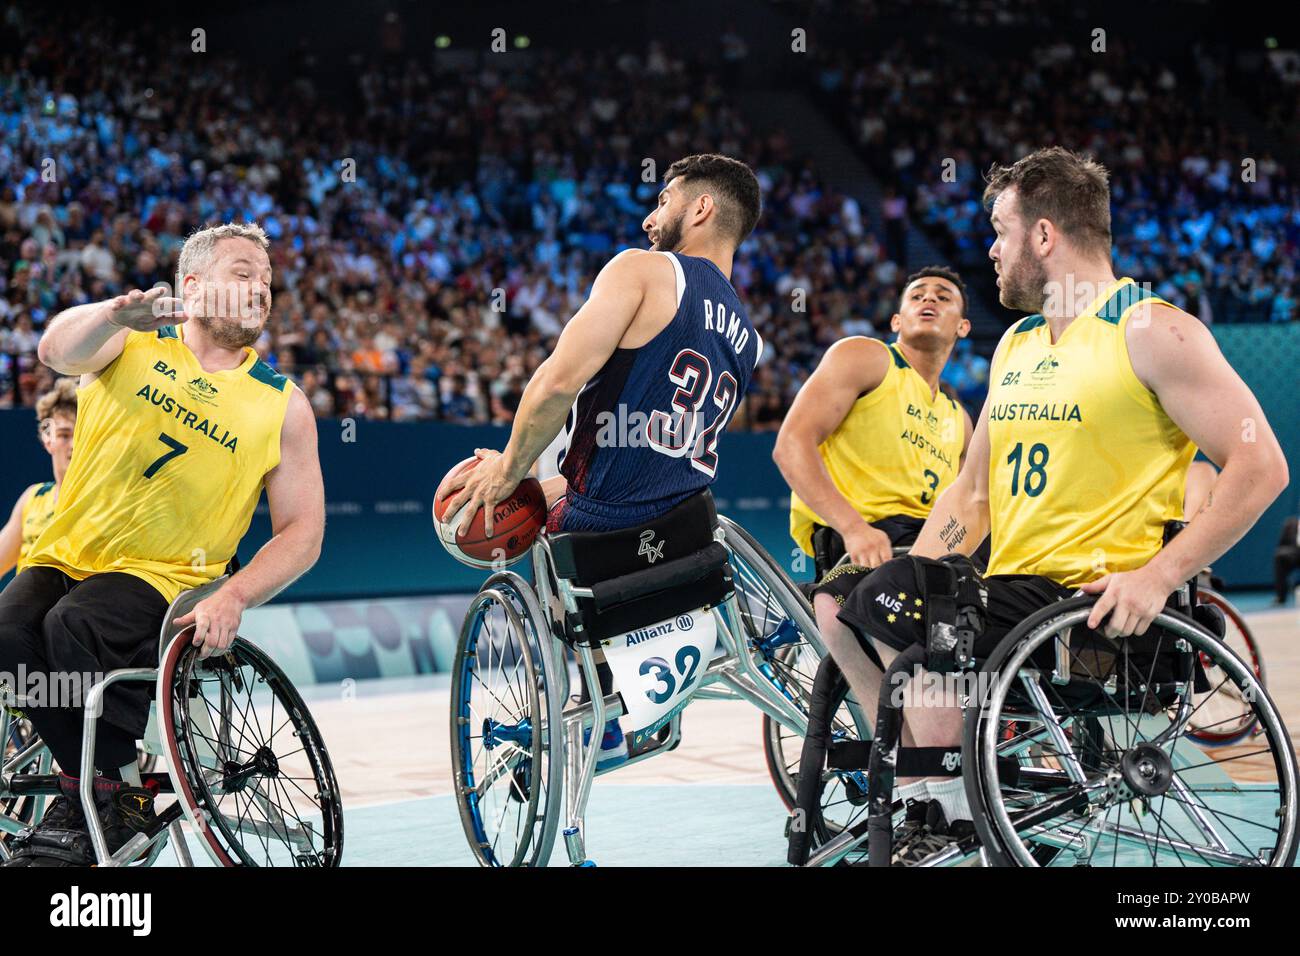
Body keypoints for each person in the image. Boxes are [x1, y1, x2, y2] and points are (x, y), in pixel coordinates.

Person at [819, 147, 1289, 863]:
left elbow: (1262, 465)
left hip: (1088, 603)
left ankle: (943, 803)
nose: (992, 248)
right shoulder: (1017, 342)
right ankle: (938, 787)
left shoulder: (1153, 330)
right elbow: (972, 495)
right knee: (846, 599)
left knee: (897, 604)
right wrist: (911, 570)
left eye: (1002, 230)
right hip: (1010, 595)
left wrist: (1159, 577)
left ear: (1044, 236)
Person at [0, 223, 326, 866]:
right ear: (193, 286)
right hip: (67, 555)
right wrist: (113, 312)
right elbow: (53, 350)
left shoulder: (284, 405)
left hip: (170, 579)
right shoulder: (128, 341)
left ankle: (96, 799)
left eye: (267, 280)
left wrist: (234, 595)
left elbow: (304, 532)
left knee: (76, 626)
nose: (261, 288)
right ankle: (105, 794)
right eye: (242, 274)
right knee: (8, 635)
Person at [443, 154, 763, 766]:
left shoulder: (641, 272)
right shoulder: (747, 334)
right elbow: (648, 445)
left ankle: (595, 698)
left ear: (701, 208)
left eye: (663, 200)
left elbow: (556, 382)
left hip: (600, 534)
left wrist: (510, 470)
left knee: (504, 513)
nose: (649, 219)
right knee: (549, 481)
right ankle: (632, 700)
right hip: (689, 535)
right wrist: (537, 468)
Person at [777, 265, 974, 579]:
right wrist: (854, 529)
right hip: (864, 541)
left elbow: (967, 507)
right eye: (917, 296)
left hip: (927, 546)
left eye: (943, 297)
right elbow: (790, 445)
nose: (929, 301)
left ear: (962, 327)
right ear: (897, 320)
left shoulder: (960, 420)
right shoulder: (866, 357)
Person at [0, 378, 78, 579]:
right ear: (47, 439)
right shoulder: (33, 497)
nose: (73, 445)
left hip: (70, 605)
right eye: (64, 435)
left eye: (81, 435)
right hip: (23, 605)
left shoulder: (103, 501)